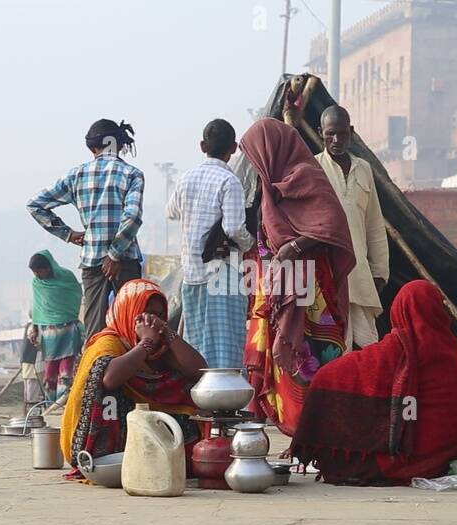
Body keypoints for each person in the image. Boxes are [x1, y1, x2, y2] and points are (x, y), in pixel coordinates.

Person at [292, 281, 457, 486]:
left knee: (349, 466)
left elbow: (337, 374)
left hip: (405, 459)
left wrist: (320, 382)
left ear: (400, 310)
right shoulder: (451, 348)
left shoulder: (398, 347)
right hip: (450, 453)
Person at [238, 118, 355, 436]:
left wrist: (295, 245)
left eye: (253, 154)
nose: (251, 162)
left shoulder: (306, 177)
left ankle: (318, 423)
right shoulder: (268, 187)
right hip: (274, 288)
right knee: (276, 358)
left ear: (270, 150)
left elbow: (331, 224)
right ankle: (288, 421)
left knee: (313, 355)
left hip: (312, 290)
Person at [60, 279, 208, 476]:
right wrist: (145, 344)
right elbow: (109, 379)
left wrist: (169, 334)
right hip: (118, 435)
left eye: (159, 315)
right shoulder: (108, 342)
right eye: (145, 314)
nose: (152, 321)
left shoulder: (161, 343)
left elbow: (199, 371)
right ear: (129, 312)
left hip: (154, 426)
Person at [27, 119, 145, 340]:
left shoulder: (76, 175)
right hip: (126, 260)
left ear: (92, 148)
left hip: (93, 262)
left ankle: (96, 373)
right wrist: (115, 254)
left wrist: (67, 234)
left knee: (95, 331)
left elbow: (35, 204)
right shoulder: (132, 174)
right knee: (134, 327)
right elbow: (133, 217)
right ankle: (133, 373)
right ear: (120, 145)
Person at [167, 119, 254, 369]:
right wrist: (249, 244)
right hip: (222, 273)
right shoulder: (230, 182)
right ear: (234, 147)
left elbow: (171, 211)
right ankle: (225, 402)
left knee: (197, 345)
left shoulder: (185, 178)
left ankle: (202, 402)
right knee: (226, 343)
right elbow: (234, 228)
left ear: (202, 145)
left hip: (192, 274)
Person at [316, 106, 390, 350]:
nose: (336, 140)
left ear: (351, 133)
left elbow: (374, 224)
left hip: (360, 273)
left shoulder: (364, 169)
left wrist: (379, 271)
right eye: (330, 134)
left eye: (342, 134)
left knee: (369, 344)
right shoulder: (313, 168)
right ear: (320, 134)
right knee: (336, 346)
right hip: (327, 274)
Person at [27, 250, 85, 400]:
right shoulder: (36, 283)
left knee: (66, 372)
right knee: (50, 372)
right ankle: (50, 404)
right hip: (49, 334)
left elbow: (76, 294)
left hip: (68, 330)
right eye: (34, 272)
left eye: (40, 271)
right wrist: (34, 329)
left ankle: (63, 403)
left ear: (49, 267)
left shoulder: (67, 277)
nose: (37, 275)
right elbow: (37, 307)